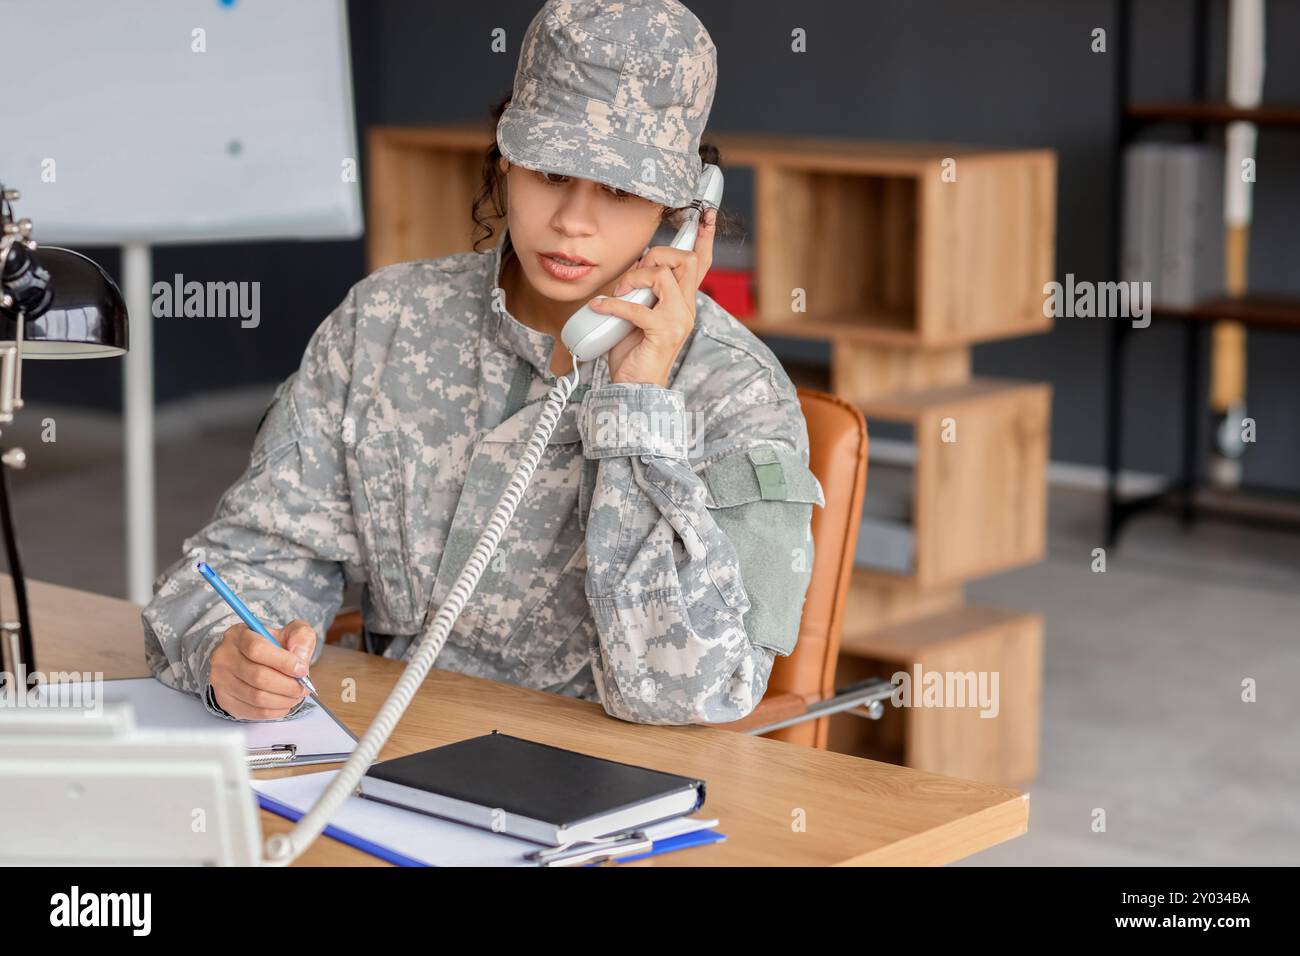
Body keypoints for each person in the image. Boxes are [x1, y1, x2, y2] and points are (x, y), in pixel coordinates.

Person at [142, 0, 824, 727]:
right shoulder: (384, 324)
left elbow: (687, 695)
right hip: (381, 756)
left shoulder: (738, 392)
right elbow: (242, 565)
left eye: (621, 191)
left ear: (684, 215)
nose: (573, 221)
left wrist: (636, 403)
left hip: (603, 803)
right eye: (551, 172)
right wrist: (227, 651)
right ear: (507, 157)